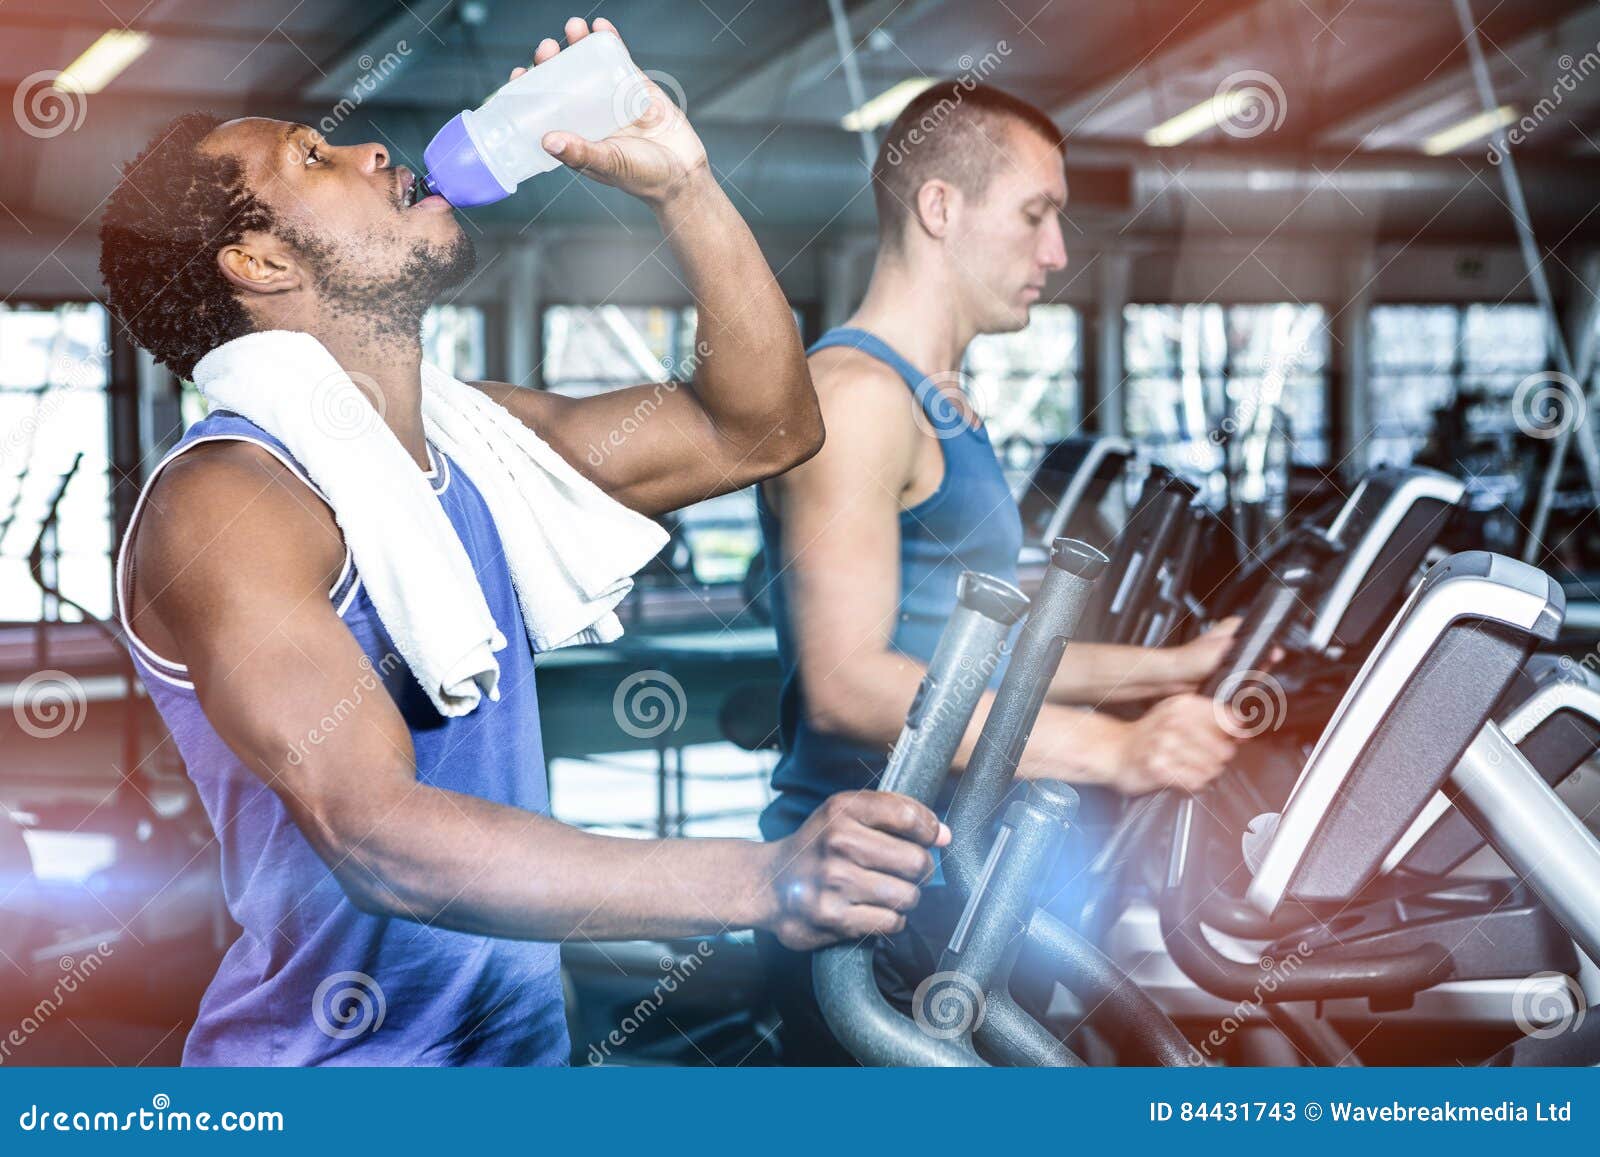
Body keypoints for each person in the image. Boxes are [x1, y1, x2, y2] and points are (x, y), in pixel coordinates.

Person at [99, 16, 946, 1066]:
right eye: (310, 158)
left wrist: (682, 183)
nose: (371, 150)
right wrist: (761, 877)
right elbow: (379, 832)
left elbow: (762, 424)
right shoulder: (230, 498)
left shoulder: (478, 444)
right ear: (260, 259)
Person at [754, 81, 1243, 1063]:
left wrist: (1167, 671)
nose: (1056, 253)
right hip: (867, 899)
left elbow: (959, 653)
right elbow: (850, 681)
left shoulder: (932, 401)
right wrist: (1115, 750)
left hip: (949, 879)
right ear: (940, 208)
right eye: (1035, 215)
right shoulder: (856, 397)